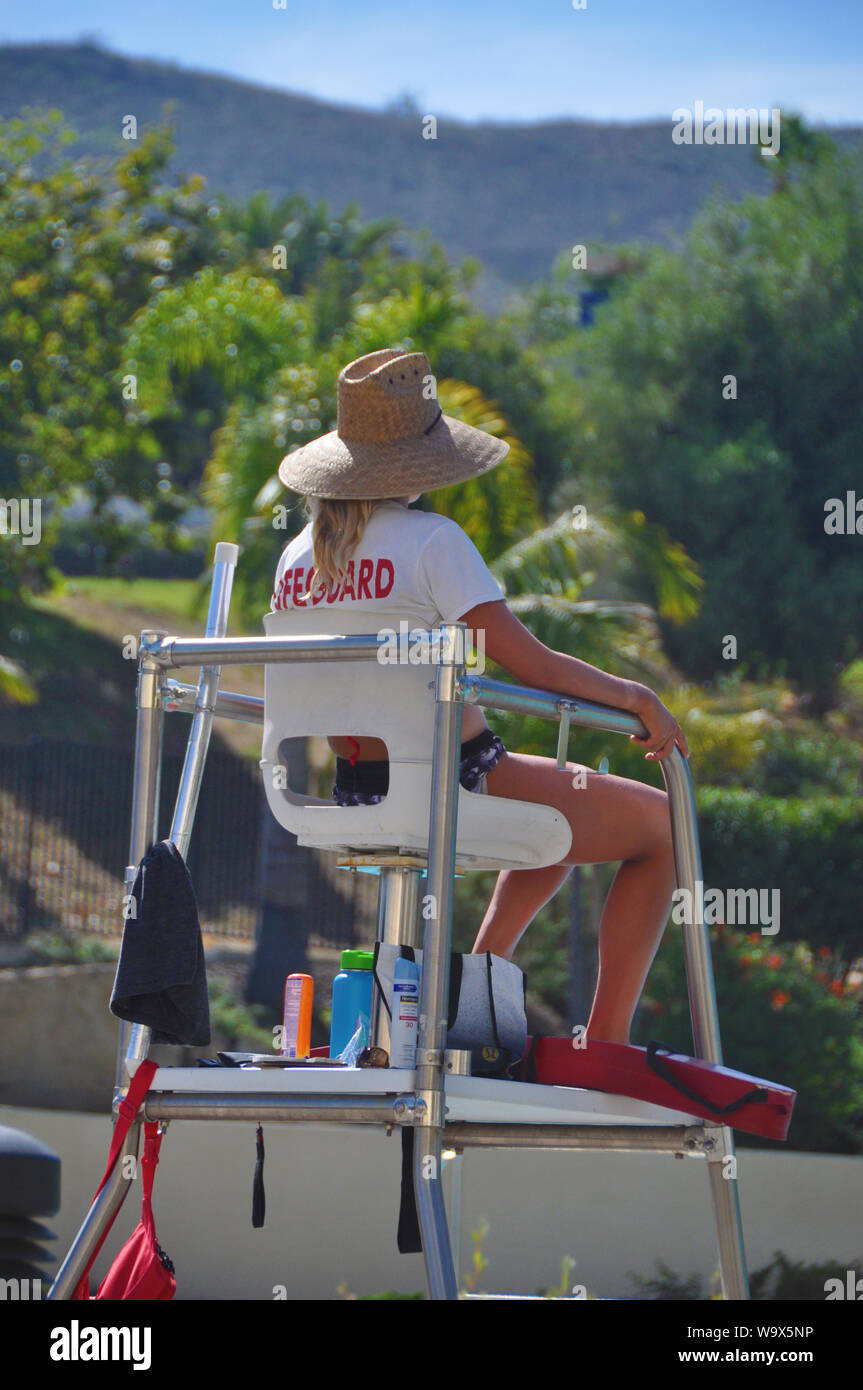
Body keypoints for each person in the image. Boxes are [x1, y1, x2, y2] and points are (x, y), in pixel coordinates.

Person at [273, 348, 689, 1045]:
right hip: (456, 782)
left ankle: (481, 983)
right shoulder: (432, 540)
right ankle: (607, 1041)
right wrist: (637, 695)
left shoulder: (294, 560)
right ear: (420, 462)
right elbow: (534, 665)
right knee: (663, 824)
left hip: (350, 792)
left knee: (559, 803)